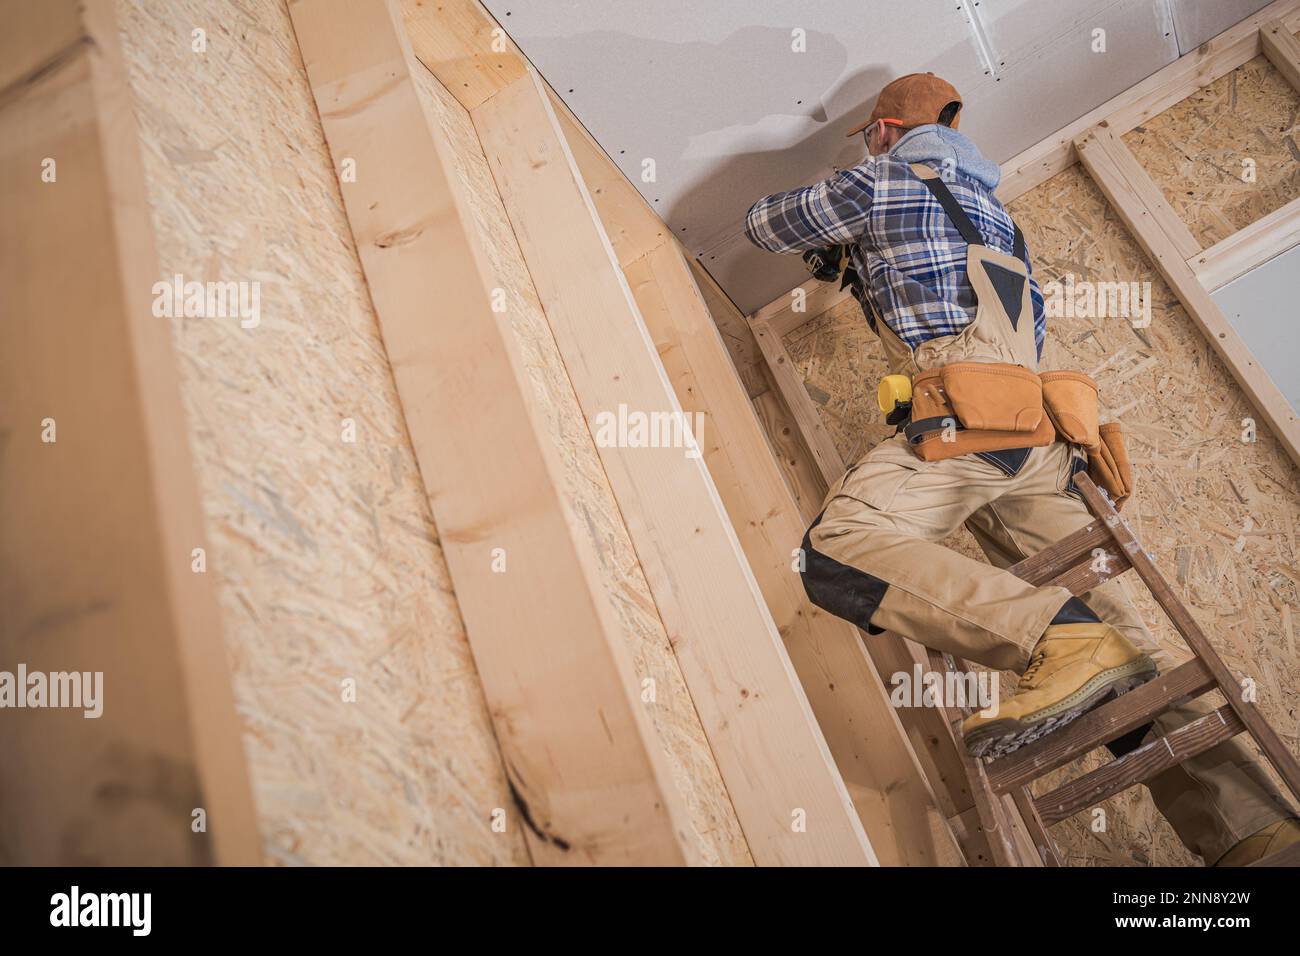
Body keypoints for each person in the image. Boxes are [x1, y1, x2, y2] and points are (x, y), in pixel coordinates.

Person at [743, 72, 1298, 866]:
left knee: (836, 548)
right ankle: (1258, 834)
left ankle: (1056, 639)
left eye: (870, 135)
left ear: (887, 130)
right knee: (1129, 644)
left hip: (969, 413)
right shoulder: (993, 215)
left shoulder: (887, 175)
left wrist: (842, 205)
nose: (869, 147)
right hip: (1038, 438)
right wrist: (855, 254)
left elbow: (762, 224)